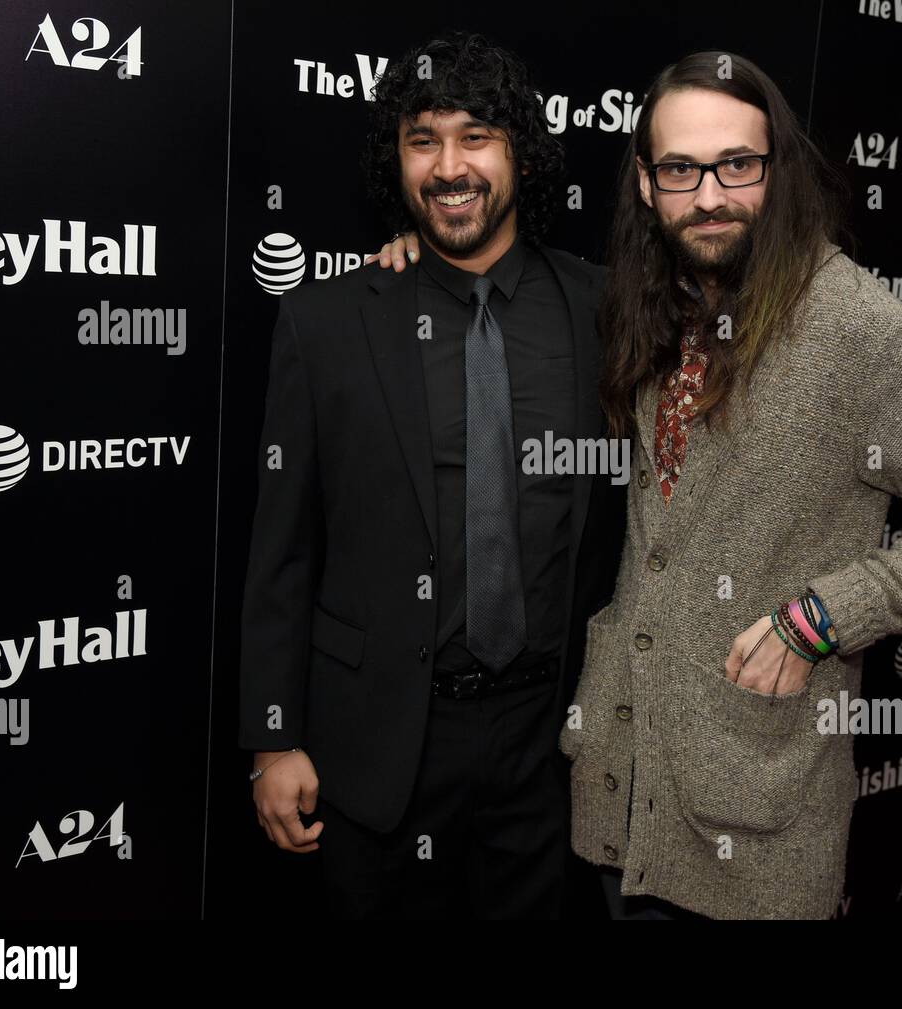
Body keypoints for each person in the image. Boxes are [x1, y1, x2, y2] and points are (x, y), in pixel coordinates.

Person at [376, 50, 902, 919]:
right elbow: (506, 280)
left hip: (758, 806)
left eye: (737, 165)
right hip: (621, 792)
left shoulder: (854, 324)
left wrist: (820, 620)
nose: (709, 194)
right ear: (647, 185)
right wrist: (424, 257)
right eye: (680, 168)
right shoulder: (648, 305)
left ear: (778, 170)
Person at [239, 31, 625, 918]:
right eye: (423, 139)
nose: (450, 167)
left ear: (521, 152)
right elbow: (282, 550)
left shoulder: (605, 311)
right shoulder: (327, 322)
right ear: (398, 161)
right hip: (376, 749)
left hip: (549, 749)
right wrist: (271, 739)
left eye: (476, 135)